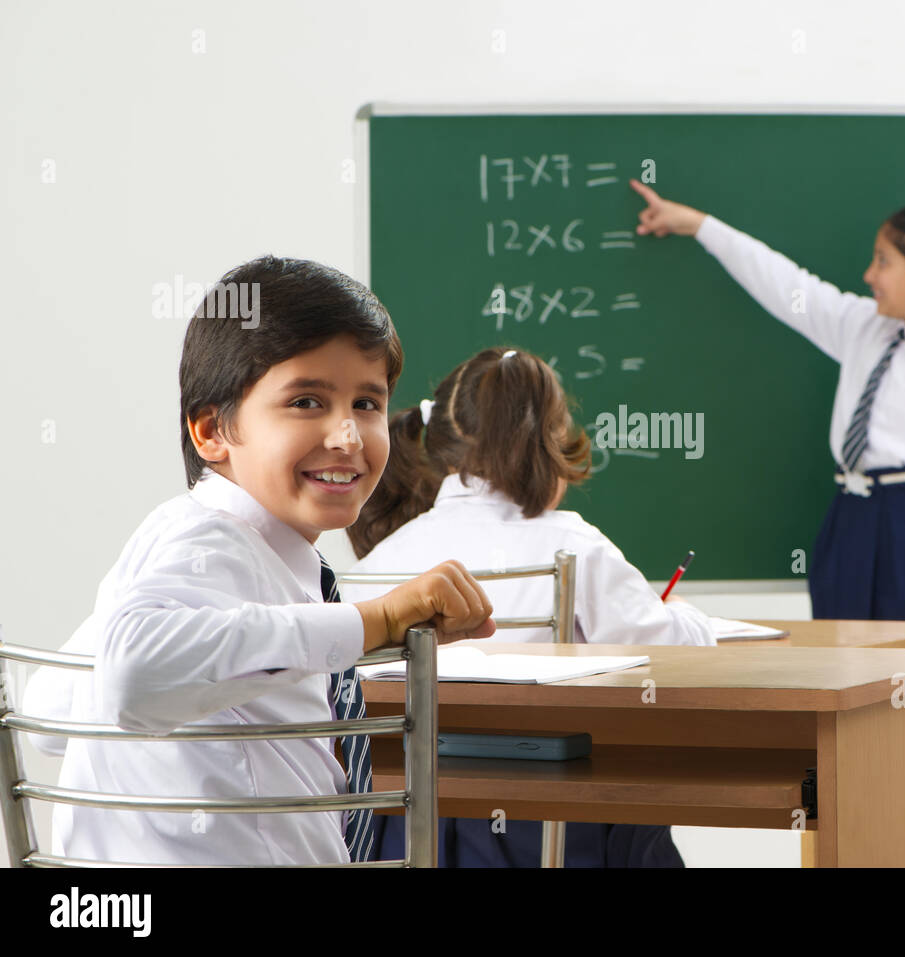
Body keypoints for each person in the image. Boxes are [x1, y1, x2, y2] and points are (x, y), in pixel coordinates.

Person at [21, 256, 494, 865]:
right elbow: (130, 675)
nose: (348, 436)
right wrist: (372, 622)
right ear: (212, 431)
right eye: (305, 402)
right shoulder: (208, 543)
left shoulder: (201, 542)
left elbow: (49, 713)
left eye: (368, 404)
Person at [343, 345, 714, 866]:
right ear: (549, 445)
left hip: (398, 828)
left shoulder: (379, 561)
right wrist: (693, 620)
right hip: (547, 827)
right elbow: (679, 654)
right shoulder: (571, 544)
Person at [630, 181, 905, 622]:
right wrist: (699, 225)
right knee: (841, 671)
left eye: (883, 261)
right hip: (849, 523)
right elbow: (785, 284)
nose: (869, 276)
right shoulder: (863, 328)